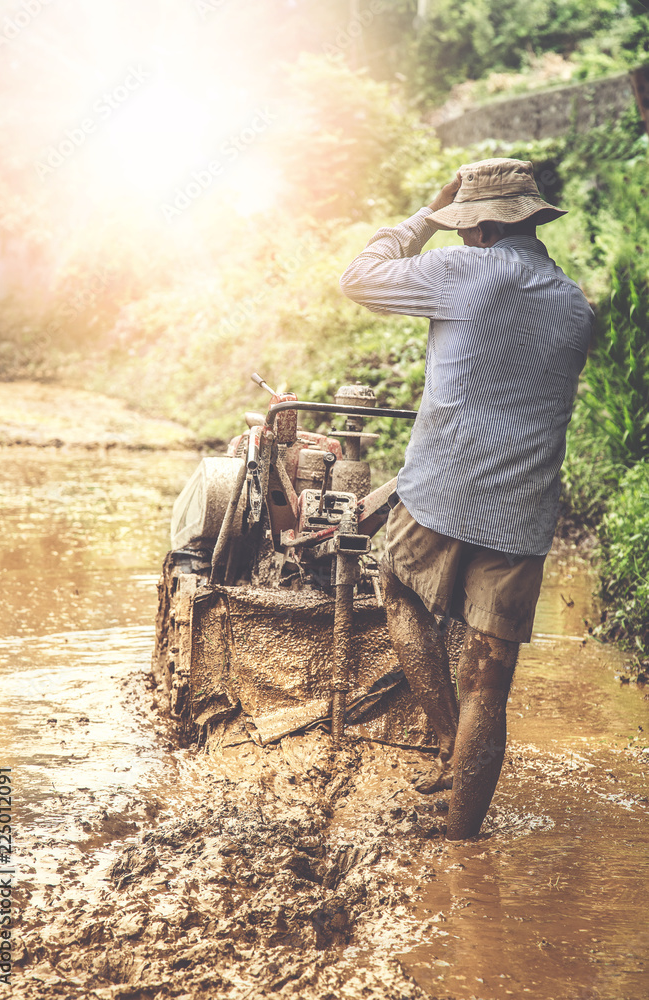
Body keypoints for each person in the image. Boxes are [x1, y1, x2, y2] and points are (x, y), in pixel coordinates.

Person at [340, 158, 593, 840]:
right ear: (529, 220)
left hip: (442, 490)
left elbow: (358, 277)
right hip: (523, 512)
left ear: (477, 227)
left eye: (458, 226)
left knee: (395, 587)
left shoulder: (465, 271)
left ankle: (446, 741)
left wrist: (424, 215)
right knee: (490, 674)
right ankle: (462, 839)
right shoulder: (574, 305)